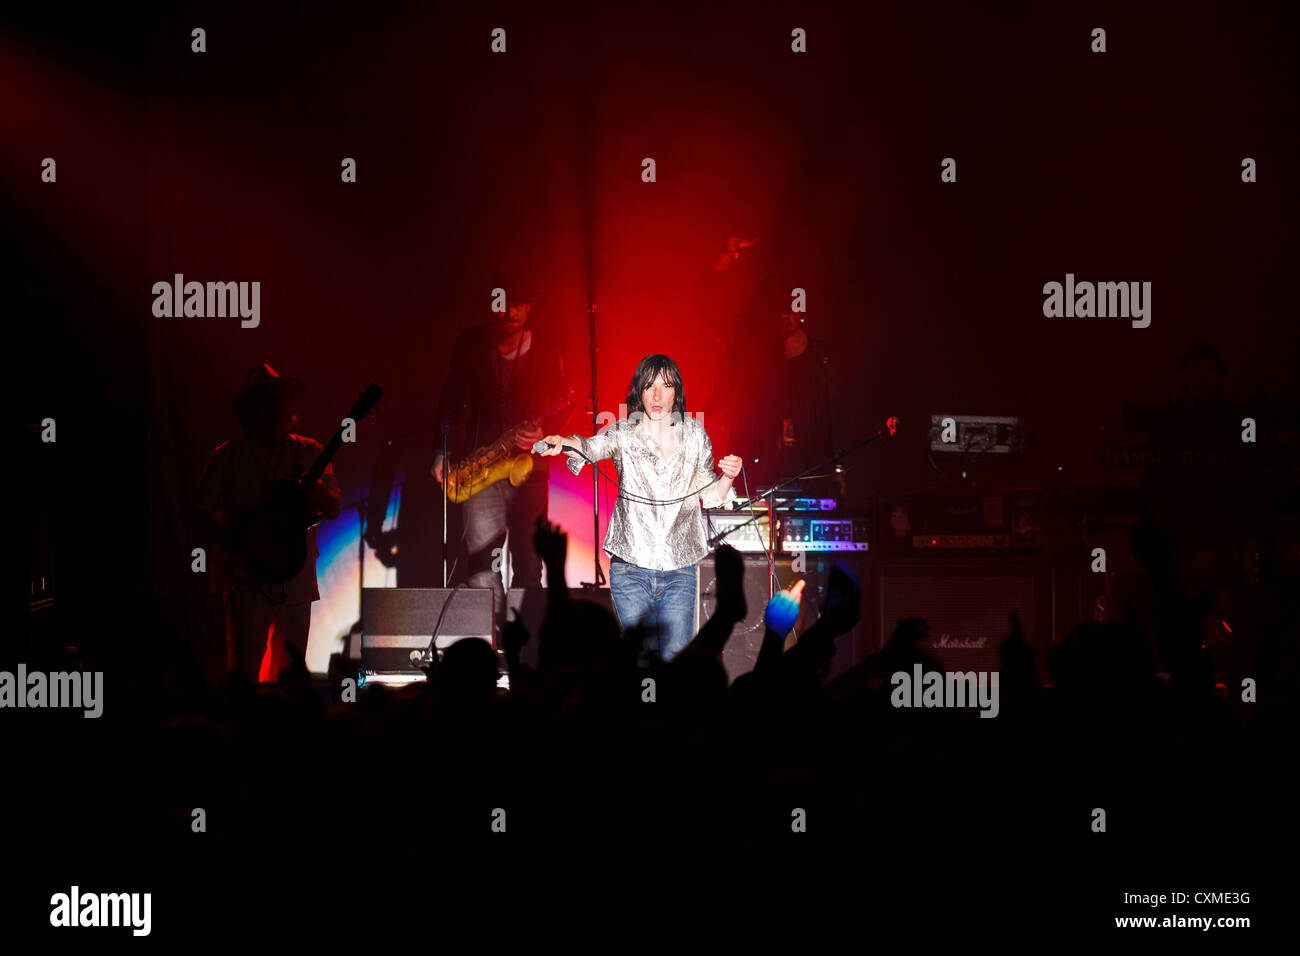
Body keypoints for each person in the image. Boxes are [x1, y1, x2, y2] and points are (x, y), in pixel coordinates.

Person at [537, 354, 742, 662]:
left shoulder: (696, 436)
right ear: (639, 391)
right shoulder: (623, 432)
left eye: (665, 386)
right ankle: (641, 708)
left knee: (674, 662)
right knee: (640, 661)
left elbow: (711, 495)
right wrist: (564, 442)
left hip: (680, 570)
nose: (657, 395)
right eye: (649, 386)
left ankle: (665, 710)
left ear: (677, 391)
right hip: (630, 567)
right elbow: (592, 447)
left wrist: (728, 477)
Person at [433, 271, 573, 636]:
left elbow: (564, 400)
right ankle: (485, 647)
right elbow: (449, 398)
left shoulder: (548, 345)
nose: (509, 311)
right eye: (502, 303)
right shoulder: (471, 343)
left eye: (518, 303)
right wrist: (441, 451)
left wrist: (545, 430)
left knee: (528, 560)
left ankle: (527, 649)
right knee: (481, 564)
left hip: (529, 468)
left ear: (530, 307)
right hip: (481, 466)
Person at [193, 364, 341, 682]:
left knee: (290, 675)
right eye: (265, 398)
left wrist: (313, 490)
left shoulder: (310, 451)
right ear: (249, 408)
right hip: (246, 581)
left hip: (296, 581)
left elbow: (333, 507)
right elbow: (200, 511)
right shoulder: (226, 457)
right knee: (244, 676)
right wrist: (235, 548)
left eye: (279, 398)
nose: (274, 405)